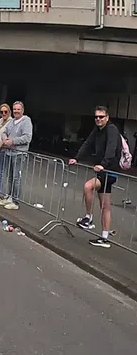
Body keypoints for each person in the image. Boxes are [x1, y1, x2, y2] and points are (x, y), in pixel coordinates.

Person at [70, 105, 123, 249]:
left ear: (107, 117)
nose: (98, 119)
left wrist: (104, 164)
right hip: (103, 171)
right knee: (105, 205)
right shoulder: (97, 130)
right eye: (96, 117)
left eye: (101, 117)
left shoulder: (111, 129)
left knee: (88, 186)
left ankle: (89, 218)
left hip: (109, 170)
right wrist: (77, 158)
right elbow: (87, 143)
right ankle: (105, 237)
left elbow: (111, 148)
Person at [0, 101, 32, 210]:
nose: (16, 111)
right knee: (10, 176)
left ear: (22, 111)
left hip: (19, 153)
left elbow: (27, 137)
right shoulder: (11, 121)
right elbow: (4, 131)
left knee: (17, 177)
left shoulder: (26, 121)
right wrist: (4, 139)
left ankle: (16, 201)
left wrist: (13, 141)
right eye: (15, 109)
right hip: (9, 152)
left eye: (18, 109)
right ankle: (9, 196)